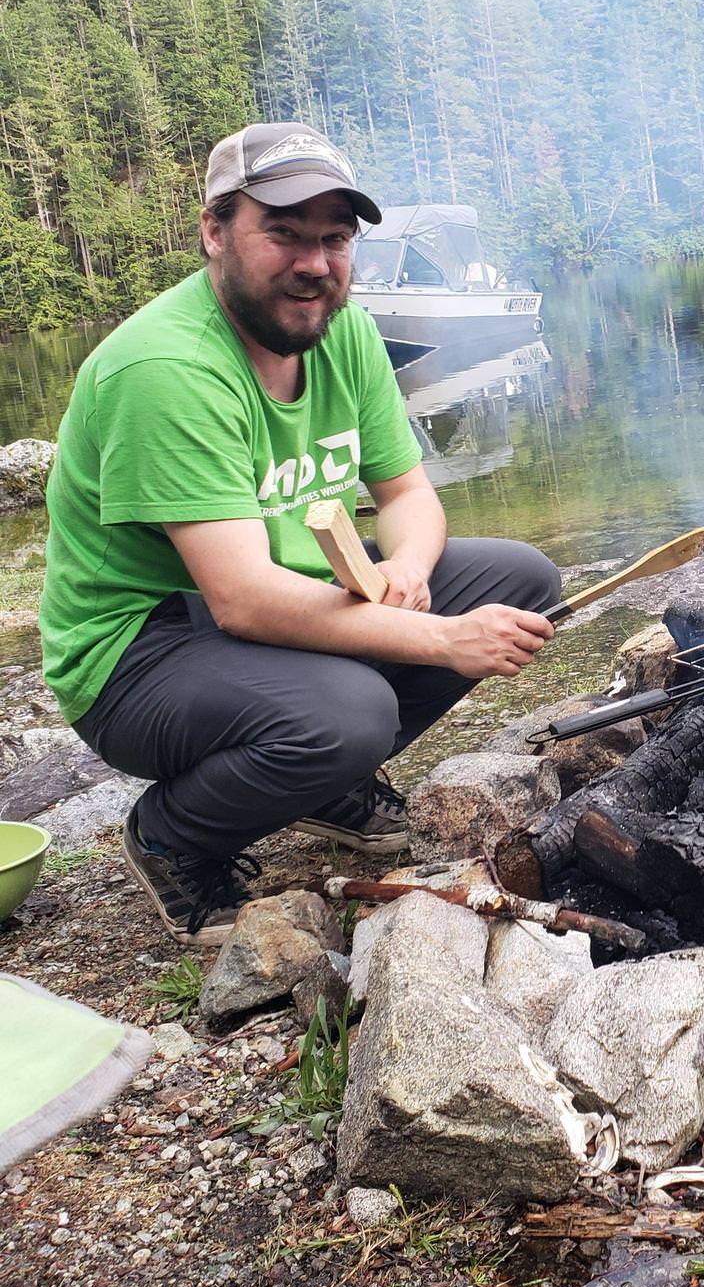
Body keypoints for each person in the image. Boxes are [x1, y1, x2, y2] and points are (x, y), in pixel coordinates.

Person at [39, 122, 560, 945]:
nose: (314, 263)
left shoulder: (340, 327)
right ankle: (173, 840)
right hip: (138, 653)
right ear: (214, 231)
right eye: (283, 233)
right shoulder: (165, 369)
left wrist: (412, 573)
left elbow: (408, 494)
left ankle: (318, 785)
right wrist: (442, 639)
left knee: (520, 578)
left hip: (273, 610)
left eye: (335, 238)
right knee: (349, 714)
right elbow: (243, 600)